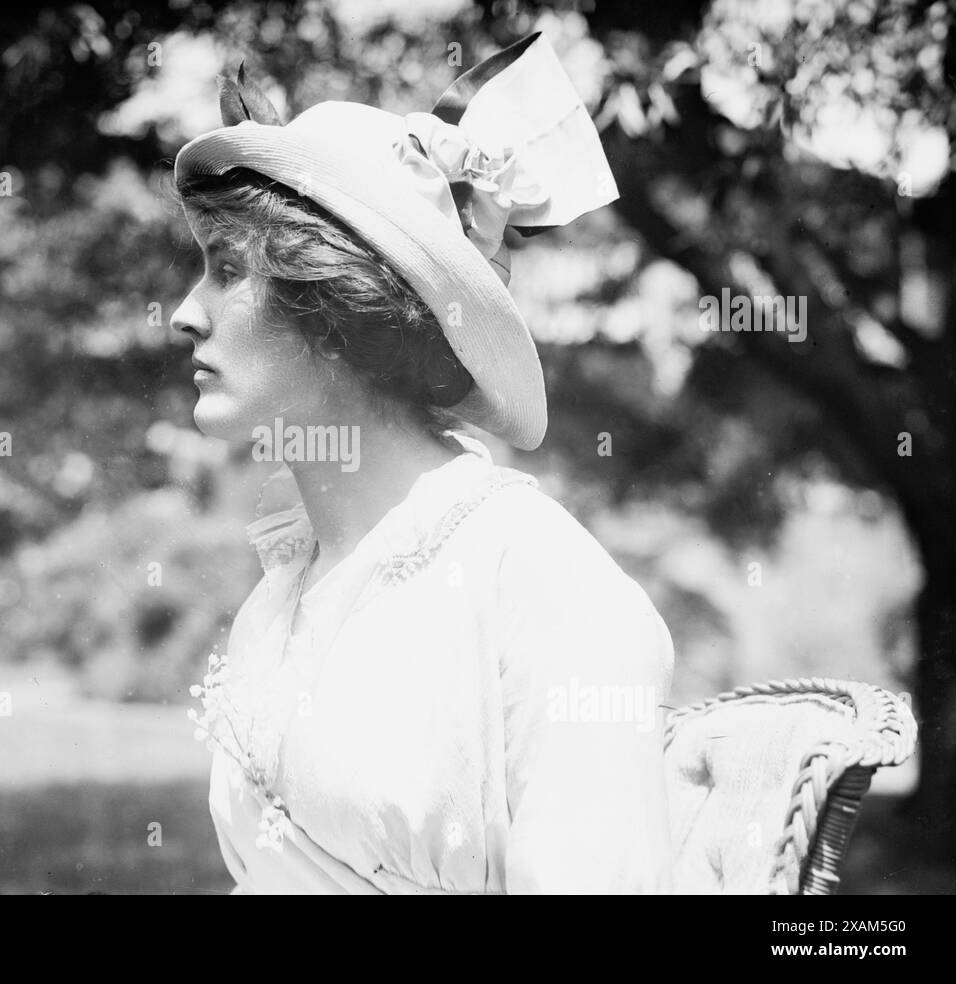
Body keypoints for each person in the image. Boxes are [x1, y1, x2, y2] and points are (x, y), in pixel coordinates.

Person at [172, 33, 675, 893]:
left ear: (330, 304)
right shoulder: (282, 595)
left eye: (226, 272)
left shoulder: (534, 583)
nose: (184, 314)